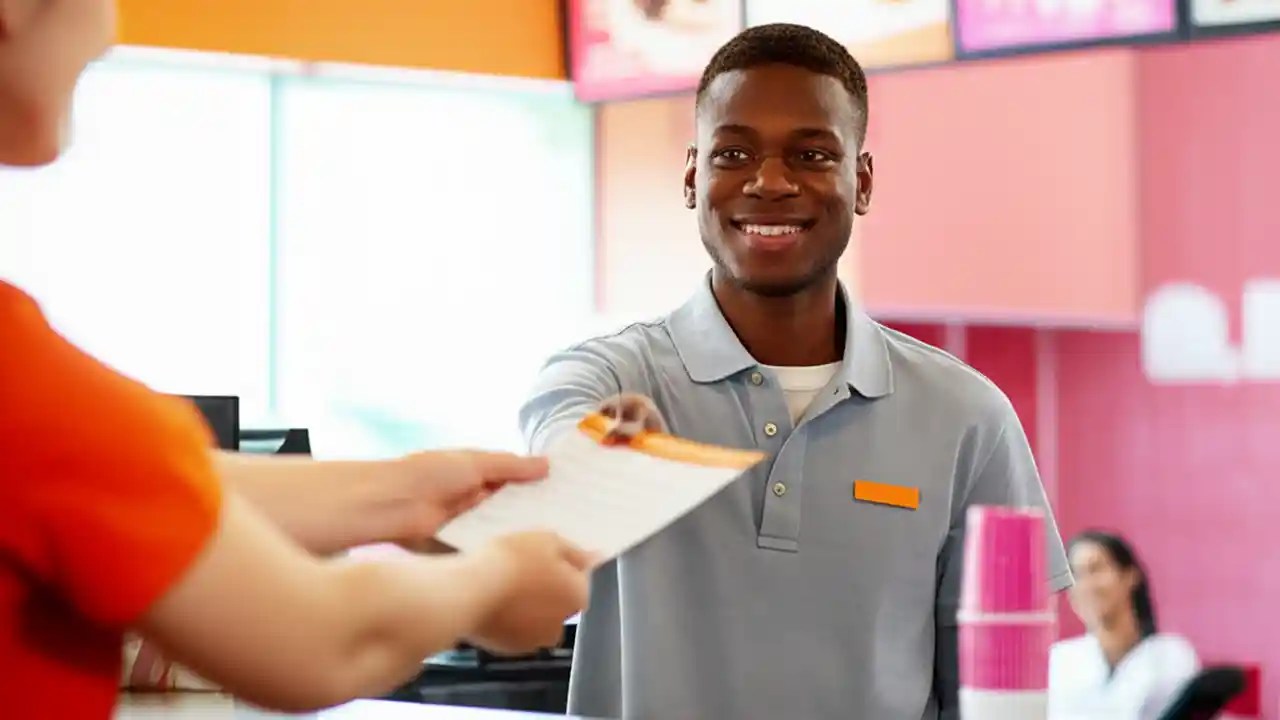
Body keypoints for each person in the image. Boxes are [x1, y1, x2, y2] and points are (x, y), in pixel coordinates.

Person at [0, 1, 595, 717]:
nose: (110, 24)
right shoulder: (26, 380)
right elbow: (326, 641)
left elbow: (116, 485)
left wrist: (405, 496)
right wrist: (493, 582)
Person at [521, 22, 1072, 720]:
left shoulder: (969, 418)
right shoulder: (605, 378)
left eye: (811, 154)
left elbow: (1001, 690)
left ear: (861, 182)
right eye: (734, 153)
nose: (770, 181)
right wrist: (595, 460)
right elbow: (560, 461)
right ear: (692, 178)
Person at [1049, 531, 1198, 720]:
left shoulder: (1172, 656)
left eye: (1096, 569)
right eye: (1075, 576)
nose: (1086, 585)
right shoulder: (1060, 661)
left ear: (1129, 576)